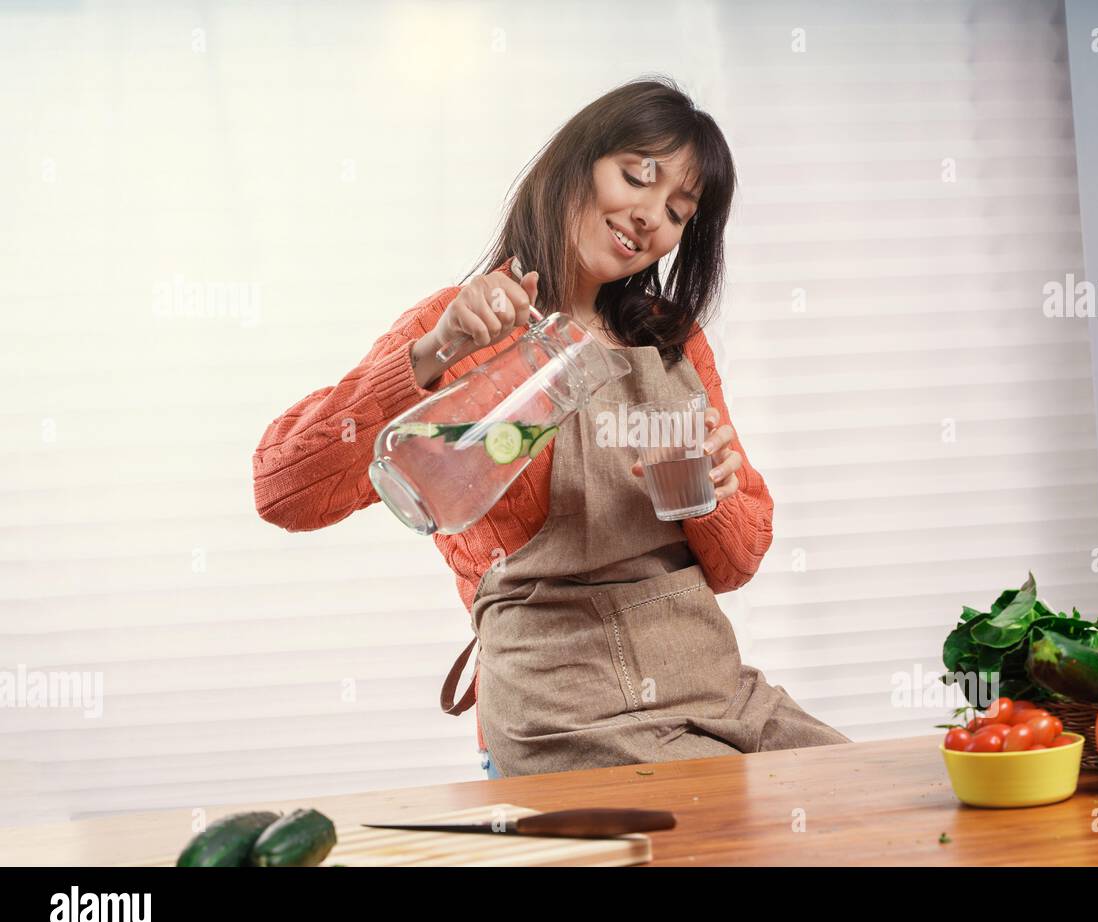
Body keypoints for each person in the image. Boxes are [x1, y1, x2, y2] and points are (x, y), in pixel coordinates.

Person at [252, 76, 850, 779]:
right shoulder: (457, 328)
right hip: (564, 711)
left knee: (868, 799)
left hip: (713, 687)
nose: (651, 216)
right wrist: (430, 354)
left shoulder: (671, 341)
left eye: (679, 212)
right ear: (575, 162)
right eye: (637, 176)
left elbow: (736, 563)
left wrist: (717, 496)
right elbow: (282, 490)